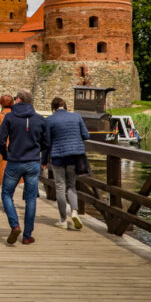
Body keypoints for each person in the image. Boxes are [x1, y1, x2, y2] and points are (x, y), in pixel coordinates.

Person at [0, 89, 49, 245]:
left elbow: (1, 140)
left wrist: (5, 155)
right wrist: (42, 159)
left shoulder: (10, 117)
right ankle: (27, 235)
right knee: (31, 198)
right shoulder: (40, 119)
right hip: (33, 162)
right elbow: (46, 143)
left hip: (14, 161)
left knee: (6, 194)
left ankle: (15, 225)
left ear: (18, 100)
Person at [43, 97, 89, 231]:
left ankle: (63, 219)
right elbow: (86, 135)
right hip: (75, 156)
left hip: (58, 157)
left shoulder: (50, 120)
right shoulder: (77, 117)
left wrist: (44, 161)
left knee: (60, 187)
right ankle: (74, 211)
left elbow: (47, 143)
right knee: (71, 186)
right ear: (65, 106)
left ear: (53, 108)